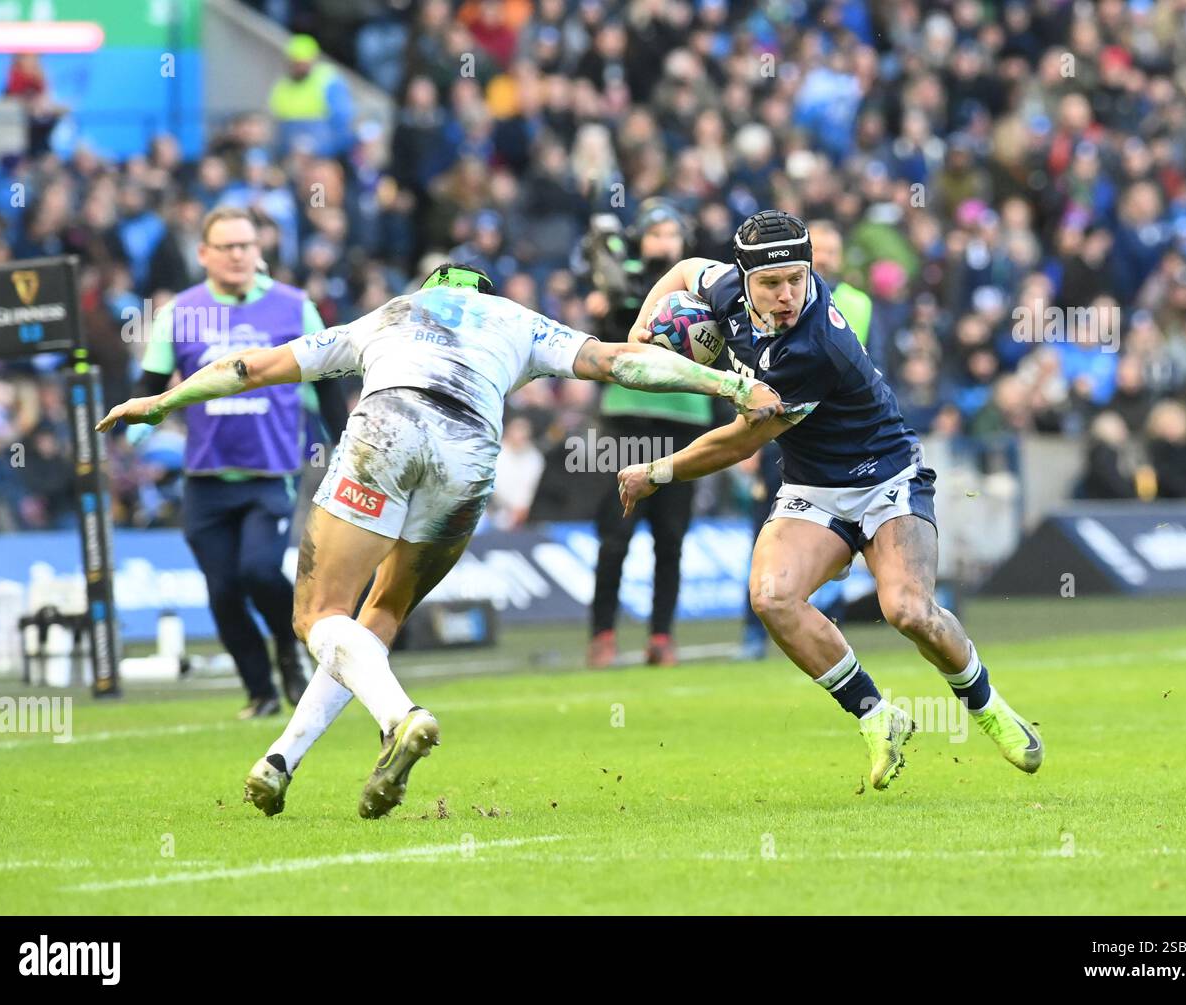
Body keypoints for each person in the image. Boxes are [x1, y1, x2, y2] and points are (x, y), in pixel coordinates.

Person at [97, 262, 781, 819]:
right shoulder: (520, 319)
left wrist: (162, 403)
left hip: (389, 424)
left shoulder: (390, 313)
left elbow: (251, 368)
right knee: (380, 616)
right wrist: (727, 382)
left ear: (432, 289)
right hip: (469, 450)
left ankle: (402, 716)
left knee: (317, 614)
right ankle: (280, 761)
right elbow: (623, 364)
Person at [618, 210, 1044, 790]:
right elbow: (686, 269)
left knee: (907, 611)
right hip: (813, 487)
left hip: (886, 478)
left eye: (796, 278)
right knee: (773, 598)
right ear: (744, 280)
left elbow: (743, 437)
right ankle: (876, 717)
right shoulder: (727, 290)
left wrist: (658, 471)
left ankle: (990, 708)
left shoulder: (815, 345)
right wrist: (640, 331)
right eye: (770, 284)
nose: (787, 293)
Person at [133, 206, 349, 719]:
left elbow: (328, 383)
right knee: (223, 591)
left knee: (257, 570)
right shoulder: (178, 313)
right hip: (205, 477)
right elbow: (148, 390)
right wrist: (132, 420)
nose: (237, 255)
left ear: (260, 251)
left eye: (246, 246)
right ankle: (260, 692)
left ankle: (290, 651)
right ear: (203, 254)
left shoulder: (295, 307)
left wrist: (344, 444)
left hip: (272, 472)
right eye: (226, 247)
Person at [582, 199, 712, 667]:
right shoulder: (619, 275)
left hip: (685, 420)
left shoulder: (701, 285)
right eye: (655, 233)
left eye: (670, 234)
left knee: (670, 538)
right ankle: (602, 635)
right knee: (615, 535)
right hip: (625, 420)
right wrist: (601, 306)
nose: (662, 242)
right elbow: (608, 336)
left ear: (684, 242)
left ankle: (661, 636)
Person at [739, 219, 873, 659]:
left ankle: (823, 621)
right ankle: (755, 633)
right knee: (766, 531)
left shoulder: (853, 304)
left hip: (831, 435)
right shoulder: (761, 303)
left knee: (840, 534)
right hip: (776, 434)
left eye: (833, 251)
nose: (829, 258)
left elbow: (869, 365)